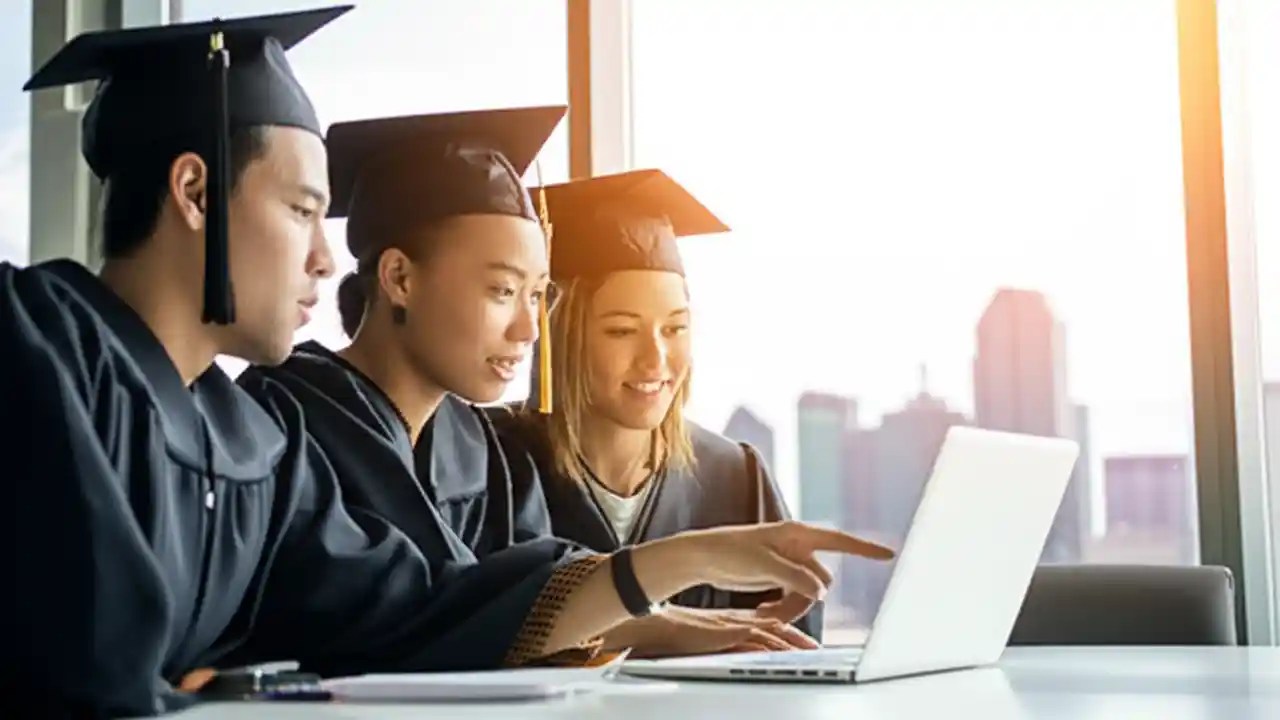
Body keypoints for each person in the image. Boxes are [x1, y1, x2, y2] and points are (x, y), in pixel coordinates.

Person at [0, 11, 894, 716]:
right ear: (195, 193)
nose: (326, 259)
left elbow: (422, 609)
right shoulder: (37, 349)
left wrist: (661, 583)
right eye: (303, 211)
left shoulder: (254, 447)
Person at [237, 109, 832, 657]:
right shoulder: (282, 423)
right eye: (502, 291)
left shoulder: (479, 448)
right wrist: (684, 563)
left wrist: (681, 626)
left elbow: (534, 605)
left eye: (537, 295)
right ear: (400, 278)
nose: (528, 329)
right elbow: (430, 616)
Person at [492, 169, 825, 642]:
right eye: (622, 331)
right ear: (559, 334)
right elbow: (471, 632)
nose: (656, 359)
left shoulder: (733, 475)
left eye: (675, 328)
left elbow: (796, 652)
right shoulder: (487, 461)